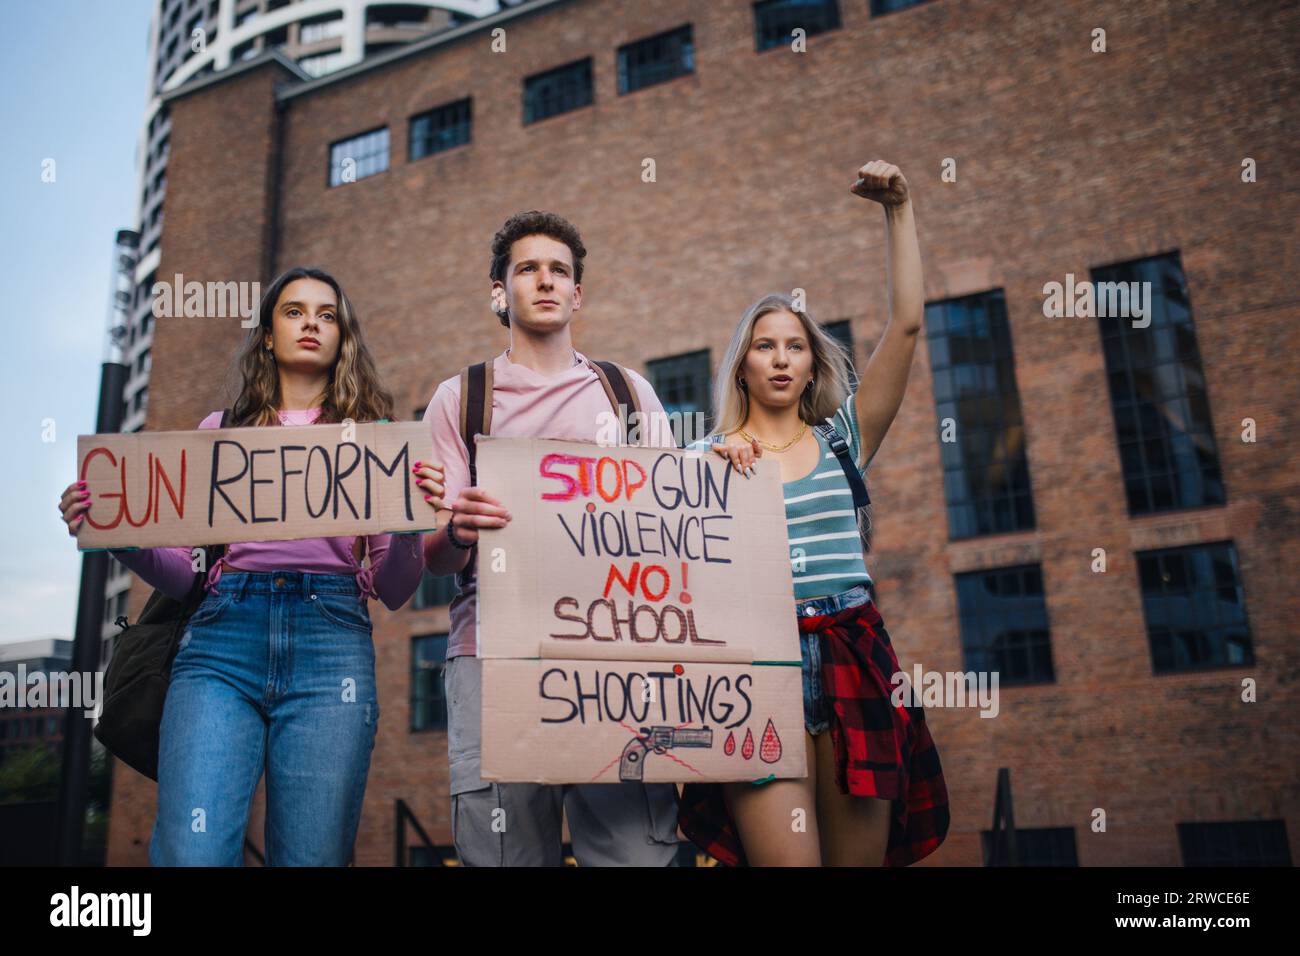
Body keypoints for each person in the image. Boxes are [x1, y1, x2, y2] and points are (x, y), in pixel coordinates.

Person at [58, 266, 441, 866]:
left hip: (330, 646)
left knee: (311, 858)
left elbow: (394, 589)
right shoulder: (221, 431)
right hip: (219, 644)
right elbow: (185, 575)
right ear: (267, 335)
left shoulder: (376, 441)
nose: (311, 324)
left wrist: (415, 525)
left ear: (343, 336)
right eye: (293, 312)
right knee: (191, 852)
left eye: (326, 314)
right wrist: (117, 534)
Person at [678, 161, 950, 866]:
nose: (780, 358)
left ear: (809, 363)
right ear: (742, 364)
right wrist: (713, 477)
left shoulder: (844, 439)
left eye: (794, 346)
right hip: (752, 665)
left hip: (852, 654)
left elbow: (910, 324)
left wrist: (899, 207)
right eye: (764, 345)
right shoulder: (701, 462)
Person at [421, 210, 682, 866]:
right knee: (506, 854)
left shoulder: (629, 395)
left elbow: (677, 531)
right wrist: (458, 527)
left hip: (616, 659)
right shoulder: (460, 400)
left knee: (636, 854)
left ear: (577, 294)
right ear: (499, 292)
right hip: (493, 654)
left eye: (559, 271)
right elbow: (433, 555)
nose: (545, 281)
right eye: (527, 269)